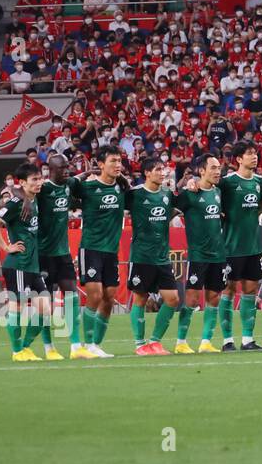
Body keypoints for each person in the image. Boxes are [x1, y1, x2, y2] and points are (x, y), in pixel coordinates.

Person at [68, 146, 129, 358]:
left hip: (111, 251)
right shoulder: (88, 187)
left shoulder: (122, 188)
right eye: (113, 161)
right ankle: (83, 345)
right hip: (91, 248)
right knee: (93, 295)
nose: (118, 165)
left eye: (119, 161)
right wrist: (81, 174)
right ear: (101, 164)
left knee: (109, 297)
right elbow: (66, 186)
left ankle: (95, 344)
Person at [0, 163, 50, 362]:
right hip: (18, 265)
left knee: (45, 309)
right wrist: (7, 247)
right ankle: (17, 351)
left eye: (40, 178)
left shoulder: (33, 199)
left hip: (32, 265)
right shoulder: (16, 202)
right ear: (22, 182)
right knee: (18, 307)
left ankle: (25, 348)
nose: (39, 182)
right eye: (34, 179)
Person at [127, 159, 182, 356]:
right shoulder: (135, 194)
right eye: (158, 170)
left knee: (173, 299)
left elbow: (173, 211)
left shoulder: (167, 194)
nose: (163, 173)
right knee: (140, 299)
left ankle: (155, 342)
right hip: (142, 256)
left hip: (162, 257)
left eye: (163, 169)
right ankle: (140, 344)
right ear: (147, 173)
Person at [174, 154, 227, 354]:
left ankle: (206, 341)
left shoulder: (219, 192)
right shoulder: (190, 194)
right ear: (201, 171)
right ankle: (181, 342)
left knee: (214, 298)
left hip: (218, 255)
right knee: (192, 300)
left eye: (218, 167)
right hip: (198, 255)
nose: (217, 171)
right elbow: (172, 209)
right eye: (213, 168)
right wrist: (188, 183)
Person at [218, 142, 262, 351]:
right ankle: (227, 340)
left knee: (250, 290)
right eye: (249, 154)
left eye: (255, 153)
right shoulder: (227, 183)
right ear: (238, 159)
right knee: (228, 291)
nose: (254, 157)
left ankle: (248, 339)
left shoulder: (259, 181)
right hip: (231, 247)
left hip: (253, 247)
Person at [35, 153, 81, 359]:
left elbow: (79, 177)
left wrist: (91, 171)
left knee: (72, 295)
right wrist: (26, 201)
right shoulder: (42, 188)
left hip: (63, 254)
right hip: (43, 255)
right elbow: (14, 190)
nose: (66, 170)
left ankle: (75, 346)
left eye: (67, 167)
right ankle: (49, 347)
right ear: (51, 170)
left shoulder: (68, 184)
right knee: (46, 303)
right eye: (62, 168)